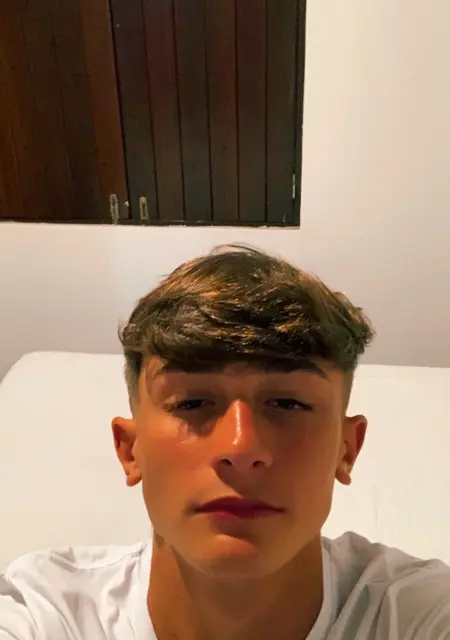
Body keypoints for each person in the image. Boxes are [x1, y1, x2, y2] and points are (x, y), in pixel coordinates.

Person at [1, 245, 450, 640]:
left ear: (346, 449)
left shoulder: (418, 614)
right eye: (192, 402)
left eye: (288, 404)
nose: (241, 447)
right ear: (129, 450)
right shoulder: (48, 615)